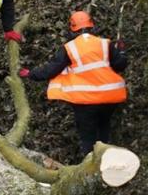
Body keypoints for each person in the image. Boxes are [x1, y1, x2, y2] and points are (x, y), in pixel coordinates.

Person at [19, 11, 127, 156]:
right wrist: (121, 52)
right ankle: (106, 159)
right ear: (91, 26)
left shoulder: (70, 48)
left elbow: (51, 69)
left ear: (72, 29)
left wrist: (31, 74)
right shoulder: (105, 43)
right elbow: (120, 65)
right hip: (110, 98)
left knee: (88, 137)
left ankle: (90, 163)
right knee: (104, 128)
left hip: (85, 101)